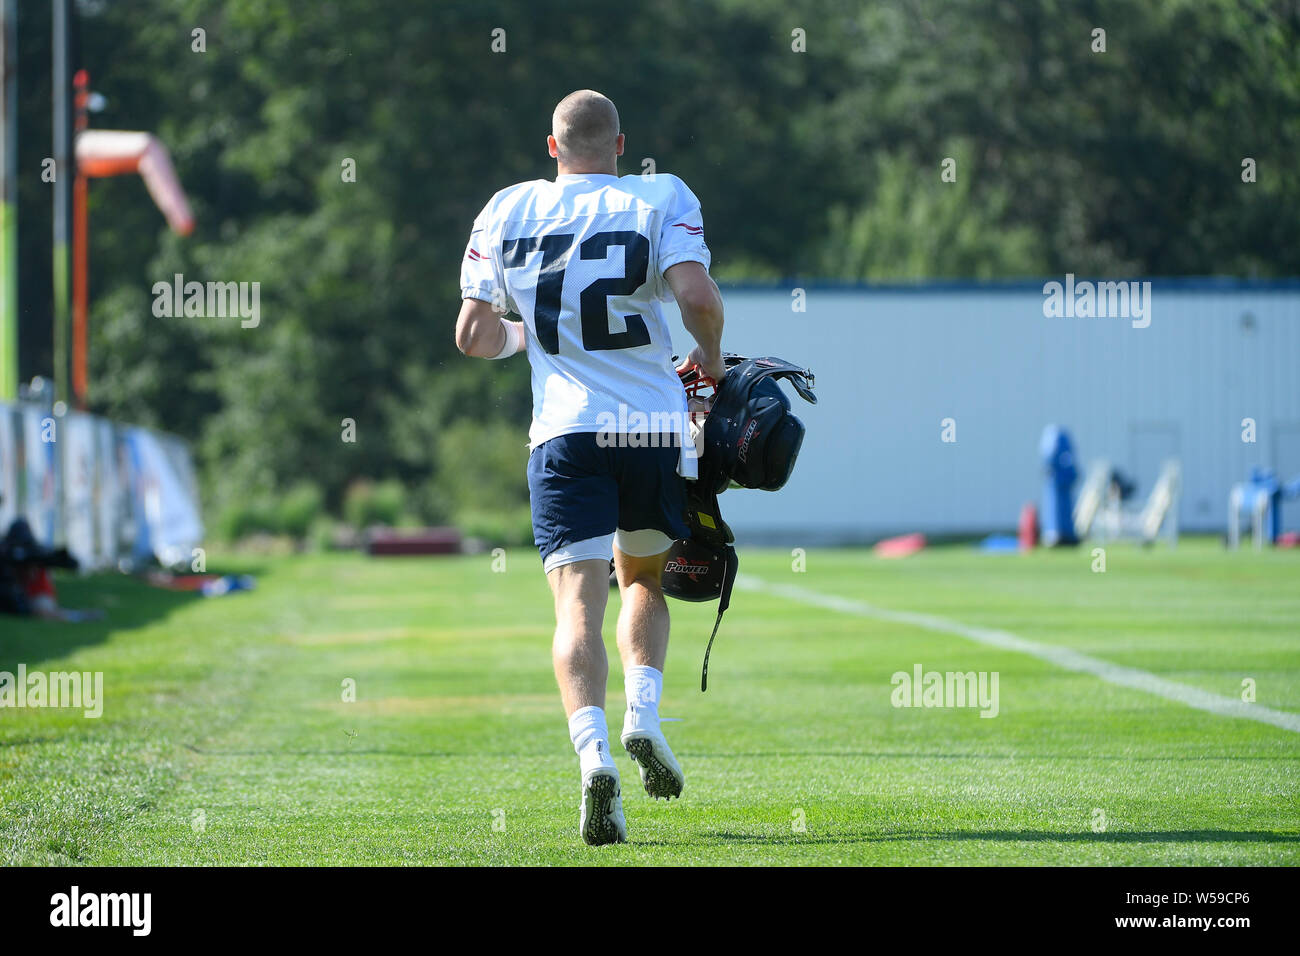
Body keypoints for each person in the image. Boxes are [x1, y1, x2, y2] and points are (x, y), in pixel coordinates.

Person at [456, 90, 726, 845]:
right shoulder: (659, 194)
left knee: (577, 608)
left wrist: (532, 345)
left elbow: (473, 335)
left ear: (551, 147)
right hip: (647, 425)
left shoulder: (506, 207)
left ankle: (594, 759)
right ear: (620, 145)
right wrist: (707, 361)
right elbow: (697, 296)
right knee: (642, 580)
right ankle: (643, 715)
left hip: (565, 432)